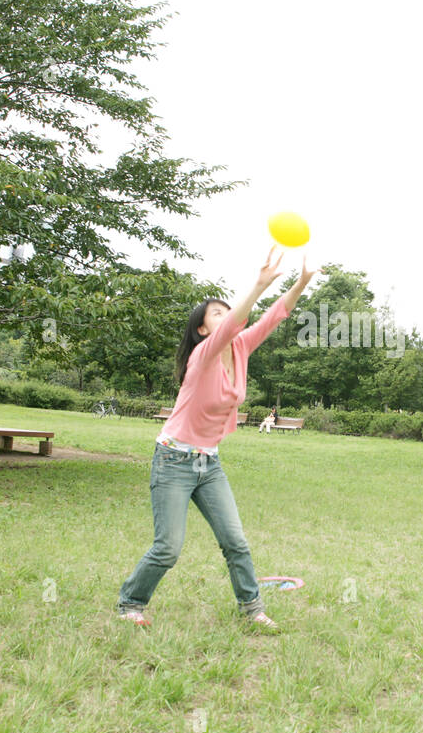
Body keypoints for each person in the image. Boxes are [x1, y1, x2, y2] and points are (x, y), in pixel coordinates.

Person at [117, 249, 318, 631]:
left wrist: (302, 281)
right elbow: (237, 321)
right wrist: (259, 283)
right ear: (204, 330)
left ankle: (252, 610)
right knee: (168, 548)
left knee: (236, 541)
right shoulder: (203, 355)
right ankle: (130, 603)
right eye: (218, 313)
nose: (228, 317)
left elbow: (276, 315)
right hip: (174, 460)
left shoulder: (240, 349)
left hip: (208, 464)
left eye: (230, 310)